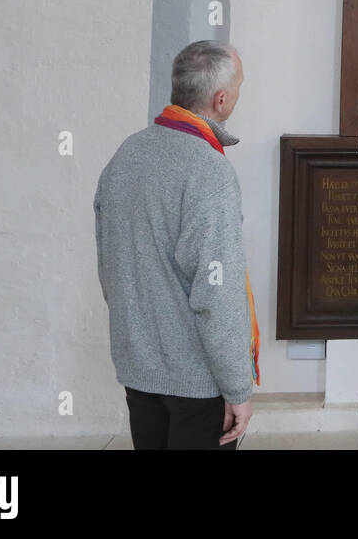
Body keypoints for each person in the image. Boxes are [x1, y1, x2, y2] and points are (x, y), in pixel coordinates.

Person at [94, 40, 259, 449]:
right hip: (196, 380)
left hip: (139, 367)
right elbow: (216, 293)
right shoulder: (208, 168)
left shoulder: (127, 153)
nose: (238, 95)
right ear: (221, 98)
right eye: (239, 86)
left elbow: (108, 266)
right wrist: (237, 387)